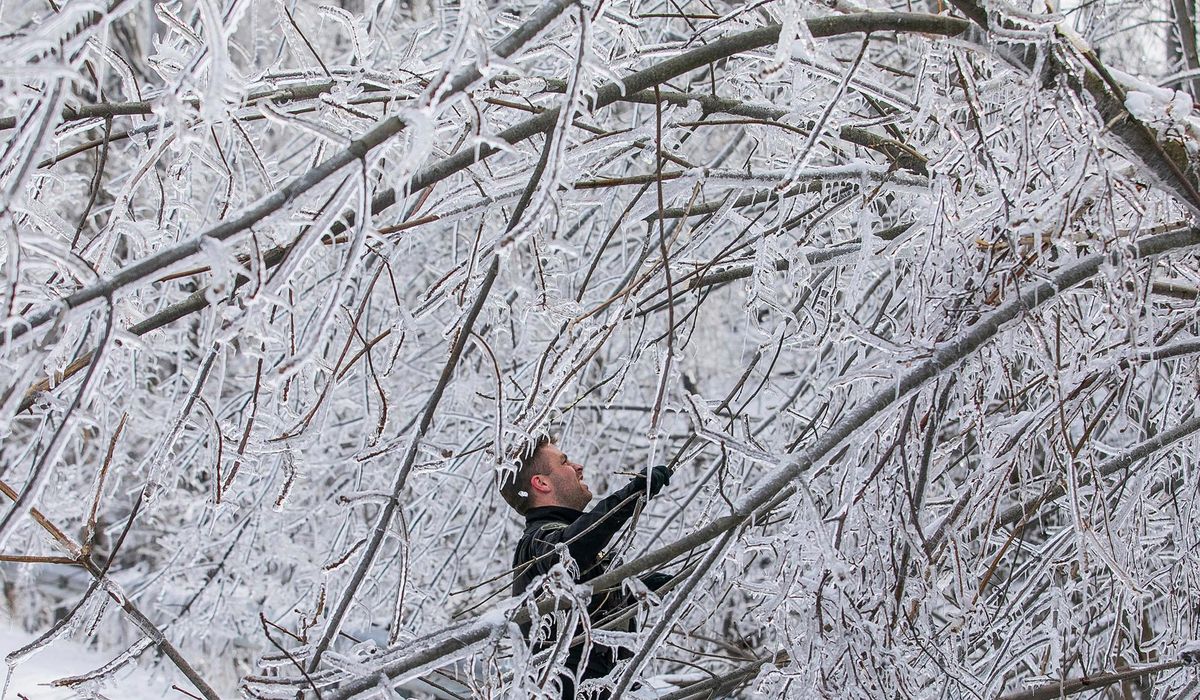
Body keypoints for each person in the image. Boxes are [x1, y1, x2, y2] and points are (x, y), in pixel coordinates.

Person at [500, 436, 672, 698]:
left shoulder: (561, 541)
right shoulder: (537, 542)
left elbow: (588, 606)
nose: (578, 466)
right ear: (542, 483)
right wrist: (631, 496)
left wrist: (633, 591)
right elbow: (571, 548)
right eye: (564, 462)